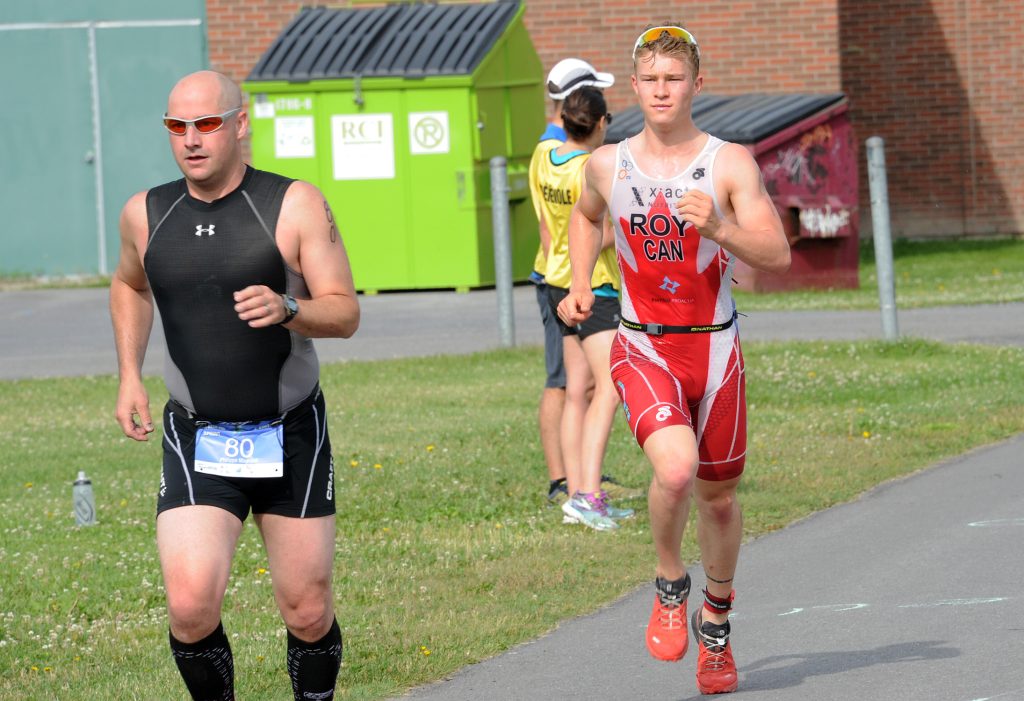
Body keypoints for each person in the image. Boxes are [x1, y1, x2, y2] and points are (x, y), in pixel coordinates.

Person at [109, 70, 360, 701]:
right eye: (178, 127)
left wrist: (290, 308)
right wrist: (129, 375)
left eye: (207, 124)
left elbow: (346, 311)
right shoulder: (146, 213)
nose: (192, 139)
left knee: (306, 609)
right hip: (197, 434)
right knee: (191, 605)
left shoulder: (294, 203)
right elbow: (130, 285)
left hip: (291, 432)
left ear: (239, 124)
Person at [558, 25, 790, 694]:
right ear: (635, 86)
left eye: (674, 78)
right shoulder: (607, 162)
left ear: (694, 83)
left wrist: (719, 227)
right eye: (651, 80)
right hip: (644, 341)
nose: (663, 90)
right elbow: (585, 215)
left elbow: (776, 253)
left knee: (718, 498)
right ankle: (669, 580)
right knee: (678, 467)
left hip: (715, 347)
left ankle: (715, 624)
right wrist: (580, 283)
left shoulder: (729, 163)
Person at [529, 58, 640, 506]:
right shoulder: (590, 169)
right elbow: (595, 229)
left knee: (576, 387)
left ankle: (575, 489)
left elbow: (545, 223)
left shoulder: (543, 155)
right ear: (596, 121)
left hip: (554, 277)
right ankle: (587, 493)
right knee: (607, 387)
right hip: (591, 284)